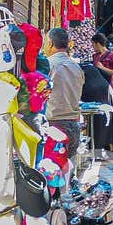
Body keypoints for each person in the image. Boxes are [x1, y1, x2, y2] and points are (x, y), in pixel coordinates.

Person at [43, 26, 86, 162]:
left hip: (54, 126)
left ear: (50, 43)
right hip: (73, 125)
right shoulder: (76, 67)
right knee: (67, 171)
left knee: (52, 174)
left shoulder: (47, 65)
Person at [92, 32, 113, 148]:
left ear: (97, 43)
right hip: (96, 89)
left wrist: (102, 68)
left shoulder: (112, 56)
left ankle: (110, 144)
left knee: (109, 116)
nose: (92, 47)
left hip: (108, 89)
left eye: (93, 44)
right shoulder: (95, 56)